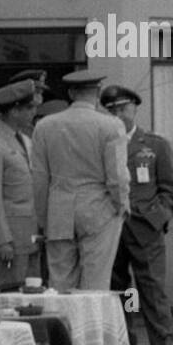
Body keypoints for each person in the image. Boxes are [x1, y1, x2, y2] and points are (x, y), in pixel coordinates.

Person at [102, 84, 173, 345]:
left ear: (134, 109)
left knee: (153, 291)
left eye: (123, 109)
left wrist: (159, 218)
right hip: (112, 228)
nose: (118, 115)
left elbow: (169, 189)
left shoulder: (155, 145)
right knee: (119, 293)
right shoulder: (102, 144)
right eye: (112, 110)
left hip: (145, 228)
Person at [31, 68, 129, 291]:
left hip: (59, 208)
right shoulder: (111, 125)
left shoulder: (44, 126)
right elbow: (117, 177)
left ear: (71, 93)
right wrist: (121, 205)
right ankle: (91, 327)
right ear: (98, 91)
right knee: (95, 282)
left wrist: (44, 217)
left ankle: (64, 326)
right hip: (99, 208)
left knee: (60, 282)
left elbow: (39, 179)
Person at [0, 80, 42, 292]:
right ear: (14, 110)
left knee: (31, 297)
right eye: (29, 108)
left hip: (29, 235)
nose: (34, 112)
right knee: (8, 296)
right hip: (10, 238)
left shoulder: (22, 139)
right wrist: (1, 240)